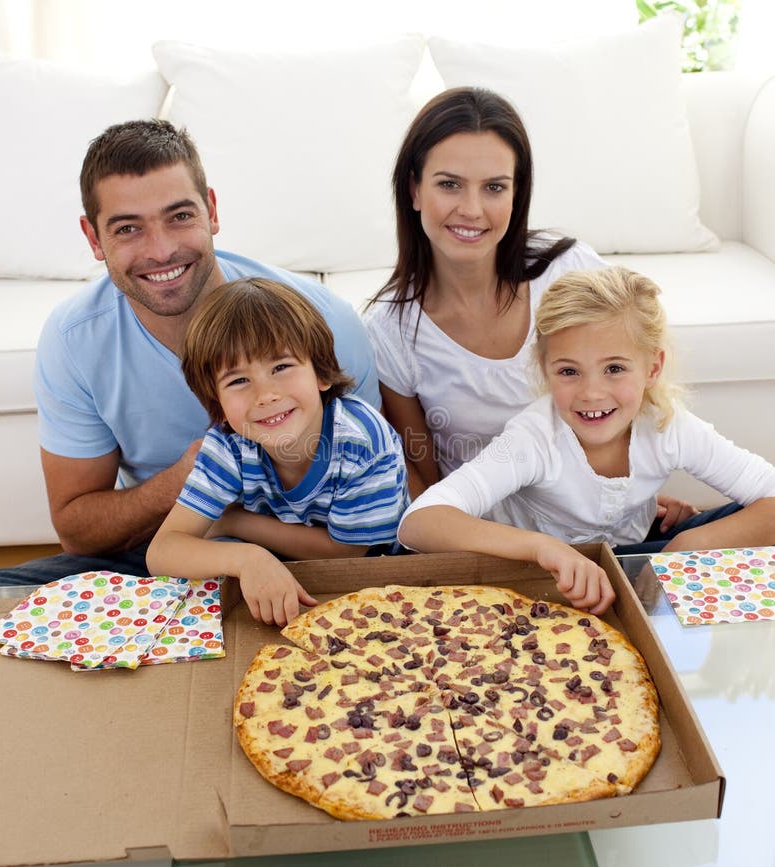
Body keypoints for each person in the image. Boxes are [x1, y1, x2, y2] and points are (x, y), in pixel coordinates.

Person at [0, 120, 379, 588]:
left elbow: (366, 496)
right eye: (128, 228)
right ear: (93, 239)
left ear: (211, 210)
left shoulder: (322, 319)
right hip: (165, 550)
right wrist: (188, 478)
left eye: (180, 217)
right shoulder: (74, 339)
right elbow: (78, 531)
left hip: (308, 550)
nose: (162, 250)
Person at [363, 86, 694, 531]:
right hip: (497, 543)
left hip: (603, 528)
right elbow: (422, 476)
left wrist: (629, 494)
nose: (472, 209)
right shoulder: (391, 329)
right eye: (449, 185)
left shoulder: (569, 270)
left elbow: (636, 393)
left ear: (517, 193)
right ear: (414, 190)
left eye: (494, 187)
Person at [398, 266, 775, 615]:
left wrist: (687, 548)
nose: (592, 393)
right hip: (540, 577)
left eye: (614, 369)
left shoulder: (667, 425)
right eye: (569, 371)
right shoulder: (534, 437)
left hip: (627, 555)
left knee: (724, 528)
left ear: (652, 368)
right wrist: (543, 548)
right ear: (545, 370)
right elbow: (419, 522)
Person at [146, 278, 409, 626]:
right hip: (271, 574)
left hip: (374, 581)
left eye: (281, 367)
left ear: (320, 372)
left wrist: (233, 520)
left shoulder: (363, 443)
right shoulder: (228, 444)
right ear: (218, 403)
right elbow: (161, 552)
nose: (265, 395)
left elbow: (346, 552)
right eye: (238, 381)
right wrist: (247, 559)